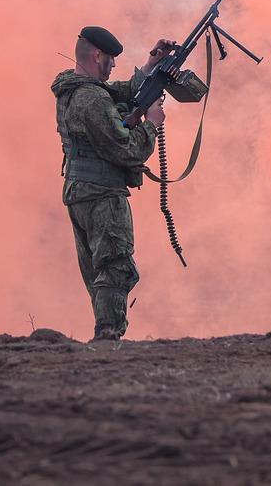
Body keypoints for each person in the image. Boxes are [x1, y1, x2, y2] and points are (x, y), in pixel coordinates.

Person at [50, 25, 177, 343]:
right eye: (110, 60)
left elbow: (118, 92)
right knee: (115, 266)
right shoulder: (91, 100)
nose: (114, 66)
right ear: (97, 55)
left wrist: (151, 66)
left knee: (98, 270)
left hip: (80, 189)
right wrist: (152, 126)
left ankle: (104, 333)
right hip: (102, 192)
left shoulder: (74, 90)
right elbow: (126, 149)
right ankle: (108, 335)